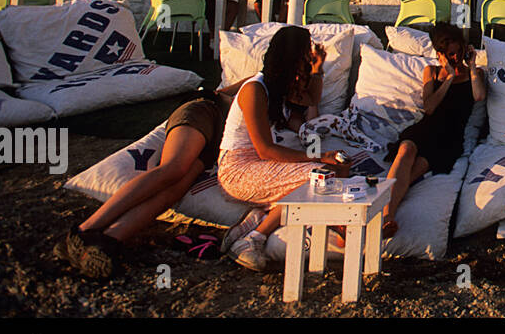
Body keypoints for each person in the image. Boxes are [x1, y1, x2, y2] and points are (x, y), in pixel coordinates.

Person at [217, 26, 350, 270]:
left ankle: (260, 217)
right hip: (237, 169)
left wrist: (317, 69)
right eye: (305, 55)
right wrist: (319, 157)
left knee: (338, 169)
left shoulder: (280, 88)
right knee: (320, 176)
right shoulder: (255, 89)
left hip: (261, 165)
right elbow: (265, 150)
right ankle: (252, 239)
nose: (307, 59)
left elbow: (311, 100)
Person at [56, 96, 227, 278]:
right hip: (207, 115)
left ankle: (109, 240)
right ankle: (82, 232)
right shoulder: (245, 88)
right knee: (174, 168)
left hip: (216, 143)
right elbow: (222, 93)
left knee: (174, 191)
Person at [380, 24, 487, 238]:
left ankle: (382, 212)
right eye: (450, 54)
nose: (455, 58)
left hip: (449, 137)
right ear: (440, 55)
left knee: (416, 170)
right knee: (406, 151)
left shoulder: (475, 74)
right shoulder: (432, 72)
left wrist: (472, 65)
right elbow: (429, 107)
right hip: (426, 127)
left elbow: (479, 96)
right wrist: (448, 78)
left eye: (458, 52)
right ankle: (387, 218)